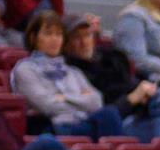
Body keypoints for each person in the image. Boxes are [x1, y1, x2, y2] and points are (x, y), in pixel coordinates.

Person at [11, 11, 126, 139]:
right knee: (109, 117)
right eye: (48, 34)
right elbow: (47, 106)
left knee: (109, 113)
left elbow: (97, 101)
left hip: (80, 124)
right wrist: (80, 99)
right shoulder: (25, 69)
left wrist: (64, 97)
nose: (55, 39)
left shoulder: (73, 71)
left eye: (59, 34)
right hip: (52, 129)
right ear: (33, 37)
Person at [66, 12, 160, 141]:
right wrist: (132, 99)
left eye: (87, 35)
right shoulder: (71, 72)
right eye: (77, 38)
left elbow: (134, 82)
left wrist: (145, 92)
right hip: (114, 126)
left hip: (140, 113)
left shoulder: (110, 57)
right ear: (66, 43)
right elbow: (101, 114)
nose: (84, 42)